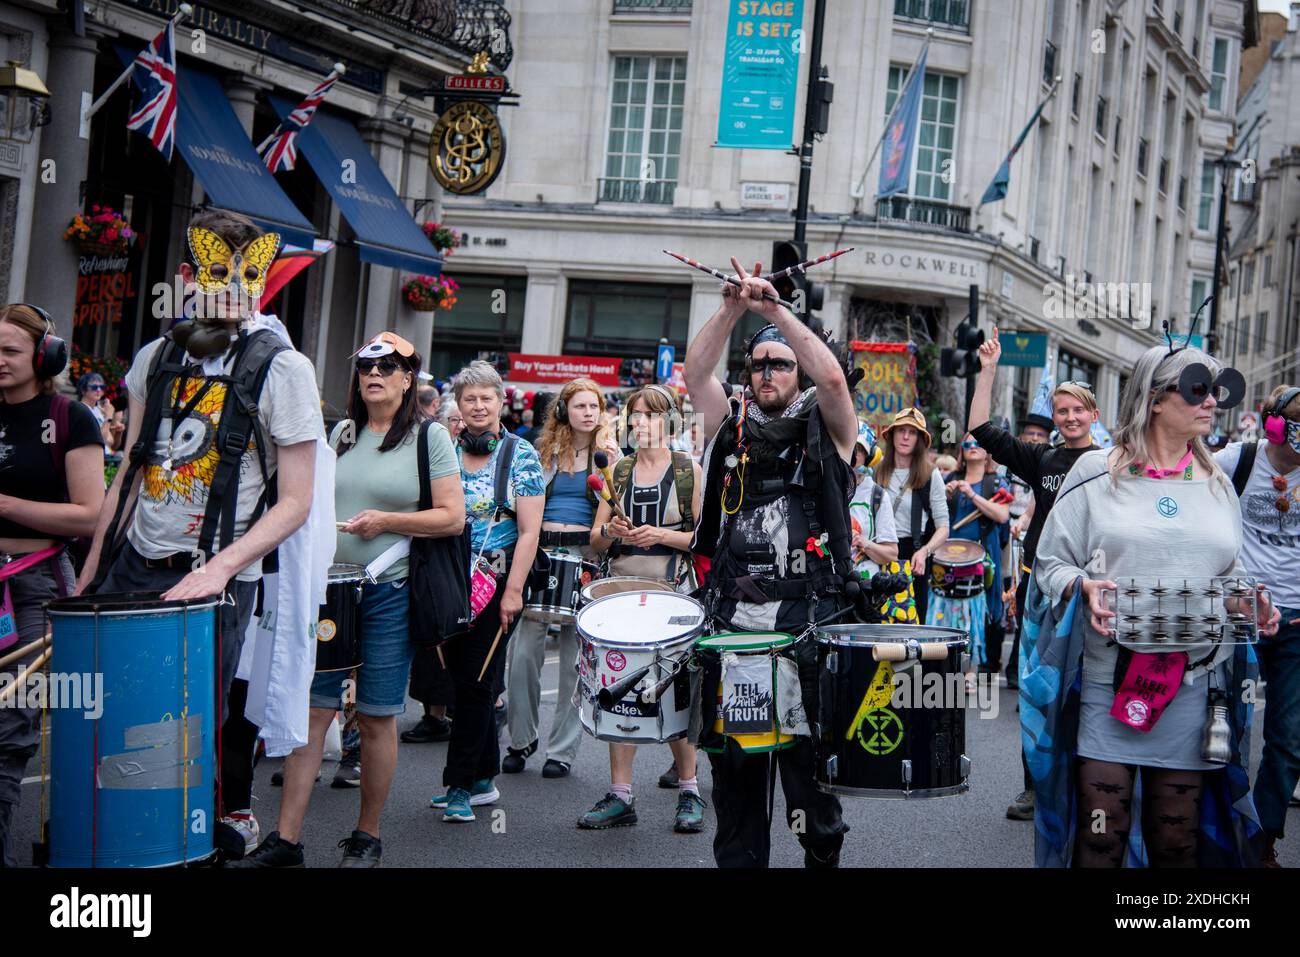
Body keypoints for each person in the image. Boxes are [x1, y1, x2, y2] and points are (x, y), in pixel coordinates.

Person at [77, 209, 322, 850]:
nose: (236, 290)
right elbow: (129, 469)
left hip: (213, 578)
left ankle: (171, 852)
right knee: (107, 716)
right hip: (133, 563)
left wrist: (216, 571)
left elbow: (295, 502)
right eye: (218, 271)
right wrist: (91, 570)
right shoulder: (156, 356)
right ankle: (108, 849)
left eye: (250, 276)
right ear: (188, 275)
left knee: (181, 729)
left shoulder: (283, 369)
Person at [1033, 340, 1278, 867]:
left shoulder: (1217, 484)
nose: (1213, 400)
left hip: (1191, 684)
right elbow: (1050, 565)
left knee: (1176, 839)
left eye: (1217, 390)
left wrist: (1250, 601)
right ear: (1154, 398)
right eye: (1197, 389)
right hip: (1108, 680)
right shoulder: (1095, 473)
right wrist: (1085, 587)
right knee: (1102, 832)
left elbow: (1227, 573)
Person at [232, 332, 464, 867]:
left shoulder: (429, 438)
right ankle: (286, 840)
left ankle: (367, 835)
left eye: (388, 367)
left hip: (389, 591)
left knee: (379, 715)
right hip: (328, 594)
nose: (374, 375)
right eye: (366, 368)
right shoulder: (339, 433)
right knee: (313, 710)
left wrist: (387, 520)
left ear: (409, 378)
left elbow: (452, 516)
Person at [685, 257, 858, 868]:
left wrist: (774, 310)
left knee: (808, 785)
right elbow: (694, 373)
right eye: (758, 363)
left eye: (780, 362)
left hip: (808, 625)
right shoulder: (728, 427)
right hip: (736, 628)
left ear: (798, 372)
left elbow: (835, 382)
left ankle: (820, 853)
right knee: (735, 777)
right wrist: (733, 308)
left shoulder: (830, 424)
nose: (767, 372)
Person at [968, 327, 1100, 821]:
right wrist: (987, 371)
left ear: (1093, 416)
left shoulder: (1111, 464)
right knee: (1036, 688)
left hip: (1088, 596)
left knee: (1087, 690)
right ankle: (1035, 786)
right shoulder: (1041, 458)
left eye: (1077, 410)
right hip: (1039, 591)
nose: (1068, 418)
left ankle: (1089, 790)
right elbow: (980, 429)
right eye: (1061, 411)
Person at [0, 304, 105, 867]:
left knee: (10, 725)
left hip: (33, 582)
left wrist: (7, 505)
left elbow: (91, 514)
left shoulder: (70, 417)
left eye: (10, 351)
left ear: (45, 357)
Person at [580, 383, 704, 832]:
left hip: (675, 594)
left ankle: (689, 790)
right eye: (634, 416)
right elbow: (596, 540)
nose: (638, 423)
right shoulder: (618, 470)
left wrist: (659, 535)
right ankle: (620, 795)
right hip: (623, 594)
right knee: (618, 687)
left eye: (649, 415)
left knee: (675, 691)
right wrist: (613, 529)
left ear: (669, 422)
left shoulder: (691, 471)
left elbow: (704, 540)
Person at [428, 360, 543, 822]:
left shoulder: (521, 455)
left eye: (486, 398)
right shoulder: (443, 450)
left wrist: (513, 591)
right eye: (469, 398)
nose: (478, 406)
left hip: (497, 582)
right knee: (464, 681)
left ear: (501, 402)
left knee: (475, 685)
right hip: (446, 581)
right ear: (459, 404)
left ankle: (457, 788)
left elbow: (530, 532)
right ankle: (482, 778)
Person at [504, 377, 619, 778]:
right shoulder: (544, 452)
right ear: (563, 411)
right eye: (580, 406)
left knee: (575, 661)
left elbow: (613, 512)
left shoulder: (611, 457)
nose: (588, 413)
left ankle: (562, 752)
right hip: (540, 553)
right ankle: (520, 739)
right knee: (522, 654)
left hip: (585, 556)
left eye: (594, 407)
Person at [1215, 384, 1300, 867]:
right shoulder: (1235, 461)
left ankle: (1262, 840)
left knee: (1288, 738)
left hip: (1296, 622)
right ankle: (1219, 825)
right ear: (1273, 426)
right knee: (1226, 730)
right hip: (1242, 616)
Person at [932, 434, 1010, 685]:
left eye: (978, 443)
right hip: (949, 555)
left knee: (976, 611)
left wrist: (973, 495)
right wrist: (944, 493)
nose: (973, 447)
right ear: (962, 451)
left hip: (980, 555)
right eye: (967, 444)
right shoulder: (949, 479)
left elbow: (1002, 515)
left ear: (988, 451)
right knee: (948, 609)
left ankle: (971, 671)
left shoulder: (996, 481)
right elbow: (935, 516)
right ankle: (948, 667)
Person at [875, 407, 950, 625]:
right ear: (892, 435)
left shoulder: (930, 474)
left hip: (913, 560)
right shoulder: (878, 471)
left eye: (912, 432)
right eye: (901, 430)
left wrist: (924, 552)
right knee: (878, 626)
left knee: (911, 630)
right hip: (879, 555)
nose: (906, 437)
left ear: (919, 439)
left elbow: (944, 527)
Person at [848, 423, 899, 580]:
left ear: (870, 456)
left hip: (865, 586)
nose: (852, 454)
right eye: (848, 446)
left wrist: (864, 542)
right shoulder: (825, 488)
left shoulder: (877, 495)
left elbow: (891, 554)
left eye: (859, 450)